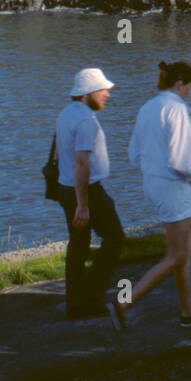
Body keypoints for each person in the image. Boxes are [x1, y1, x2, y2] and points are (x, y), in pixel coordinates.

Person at [112, 60, 191, 331]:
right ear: (180, 83)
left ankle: (188, 311)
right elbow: (182, 160)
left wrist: (155, 167)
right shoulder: (177, 109)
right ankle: (124, 302)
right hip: (173, 186)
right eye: (190, 86)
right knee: (177, 255)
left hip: (153, 183)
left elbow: (134, 155)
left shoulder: (148, 107)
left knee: (185, 249)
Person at [55, 67, 126, 318]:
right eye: (103, 90)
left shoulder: (66, 114)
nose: (108, 94)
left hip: (66, 188)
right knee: (115, 238)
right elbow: (82, 163)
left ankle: (76, 305)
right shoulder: (86, 121)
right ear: (87, 94)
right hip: (87, 192)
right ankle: (92, 296)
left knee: (79, 244)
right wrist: (83, 205)